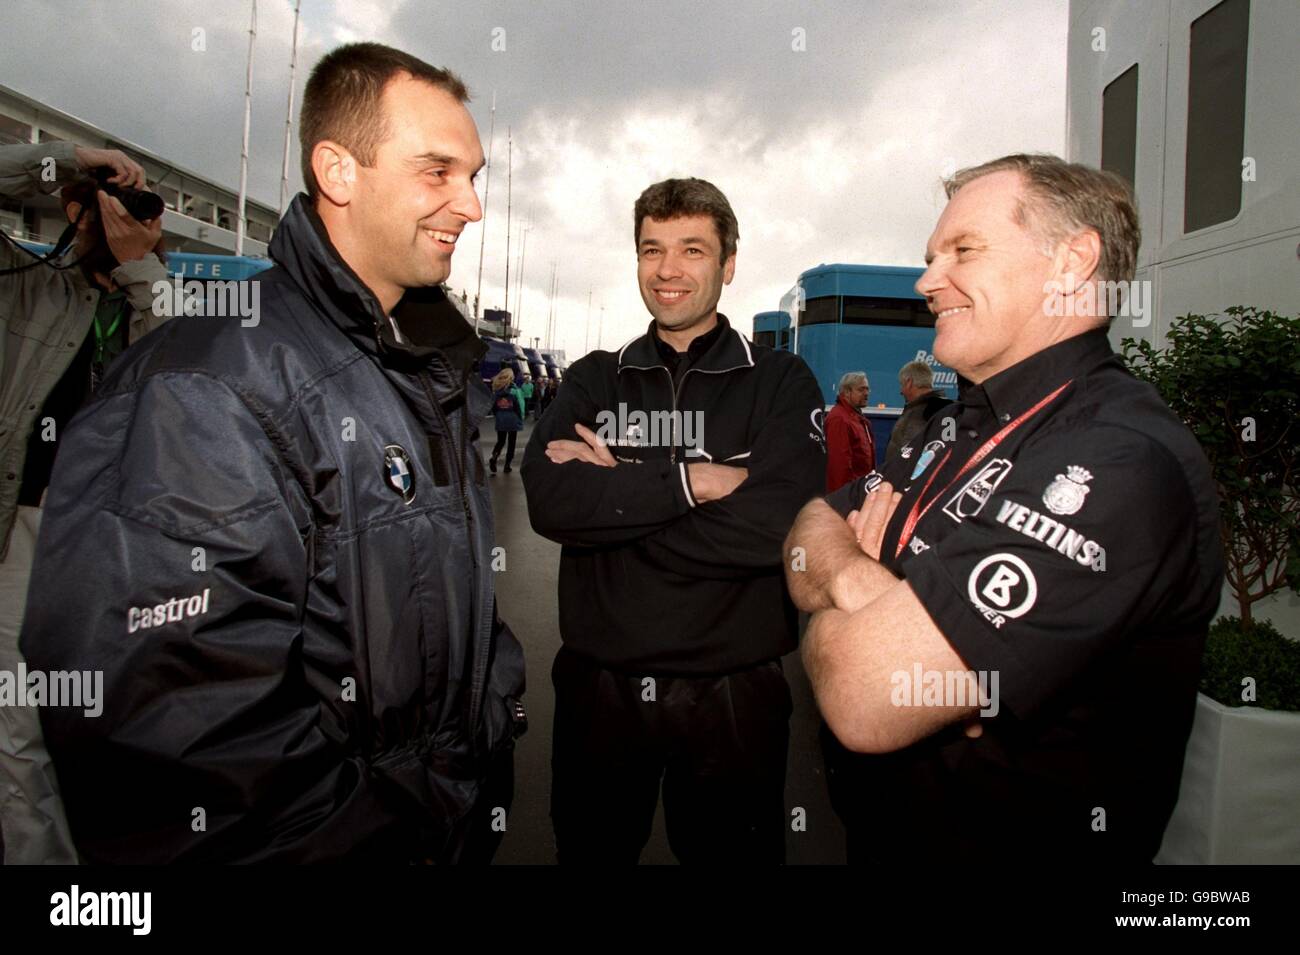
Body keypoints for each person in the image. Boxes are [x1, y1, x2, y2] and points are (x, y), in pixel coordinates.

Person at [20, 42, 526, 863]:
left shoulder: (425, 369)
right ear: (339, 171)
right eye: (438, 171)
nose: (470, 205)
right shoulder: (205, 383)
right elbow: (181, 752)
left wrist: (492, 720)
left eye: (474, 176)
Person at [784, 154, 1223, 863]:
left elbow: (864, 693)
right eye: (930, 257)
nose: (928, 281)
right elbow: (809, 527)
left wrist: (847, 602)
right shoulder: (953, 424)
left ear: (1073, 261)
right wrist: (861, 581)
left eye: (964, 250)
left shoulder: (1118, 459)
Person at [522, 177, 825, 864]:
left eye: (692, 249)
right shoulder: (596, 378)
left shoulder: (781, 381)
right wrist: (698, 480)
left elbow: (781, 524)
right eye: (651, 249)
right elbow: (550, 500)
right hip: (599, 692)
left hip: (734, 695)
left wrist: (620, 495)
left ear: (729, 263)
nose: (668, 269)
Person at [0, 142, 173, 864]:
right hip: (25, 529)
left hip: (110, 551)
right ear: (75, 209)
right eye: (109, 199)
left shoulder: (155, 299)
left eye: (139, 203)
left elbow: (181, 387)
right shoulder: (26, 286)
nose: (128, 214)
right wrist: (69, 157)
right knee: (14, 725)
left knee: (107, 725)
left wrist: (142, 267)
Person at [884, 359, 950, 463]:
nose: (901, 391)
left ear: (909, 382)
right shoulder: (948, 408)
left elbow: (907, 456)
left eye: (902, 385)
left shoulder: (917, 413)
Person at [825, 371, 875, 493]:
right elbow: (839, 465)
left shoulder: (858, 419)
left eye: (867, 389)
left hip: (859, 490)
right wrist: (843, 498)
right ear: (847, 392)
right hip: (848, 495)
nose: (866, 393)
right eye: (861, 390)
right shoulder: (839, 419)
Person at [488, 367, 523, 473]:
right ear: (511, 377)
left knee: (501, 441)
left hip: (501, 419)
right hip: (513, 419)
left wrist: (498, 415)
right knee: (511, 443)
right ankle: (507, 466)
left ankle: (494, 457)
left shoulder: (496, 390)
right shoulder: (515, 390)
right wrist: (520, 417)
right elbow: (519, 406)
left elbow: (493, 407)